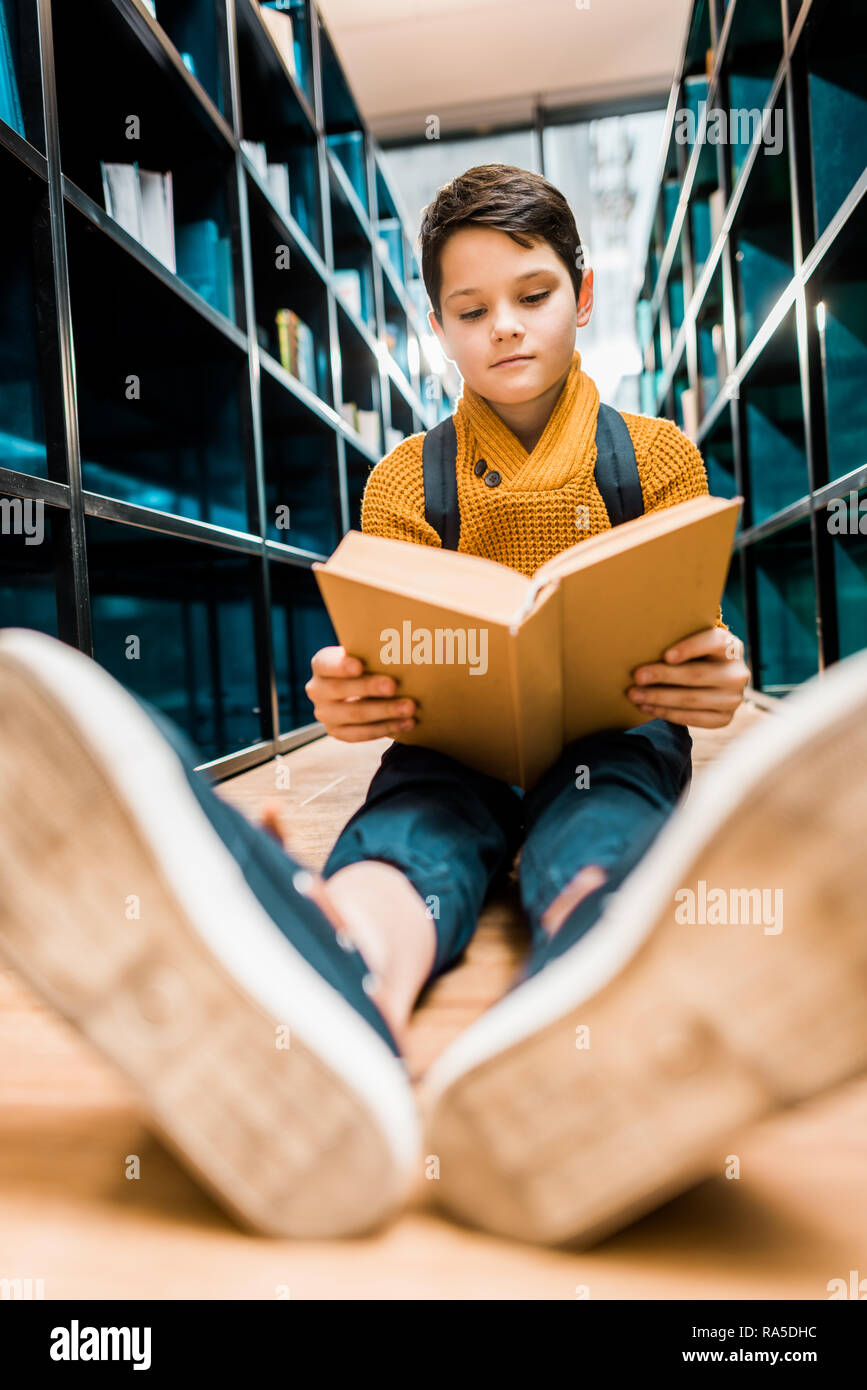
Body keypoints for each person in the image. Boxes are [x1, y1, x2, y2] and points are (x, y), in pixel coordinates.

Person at [2, 164, 865, 1249]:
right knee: (411, 832)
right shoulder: (407, 482)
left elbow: (694, 632)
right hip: (449, 740)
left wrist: (719, 676)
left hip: (612, 733)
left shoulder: (657, 458)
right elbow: (389, 643)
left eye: (534, 295)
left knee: (608, 824)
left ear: (584, 295)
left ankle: (607, 955)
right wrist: (353, 696)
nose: (505, 328)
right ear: (439, 327)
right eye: (471, 310)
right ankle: (339, 963)